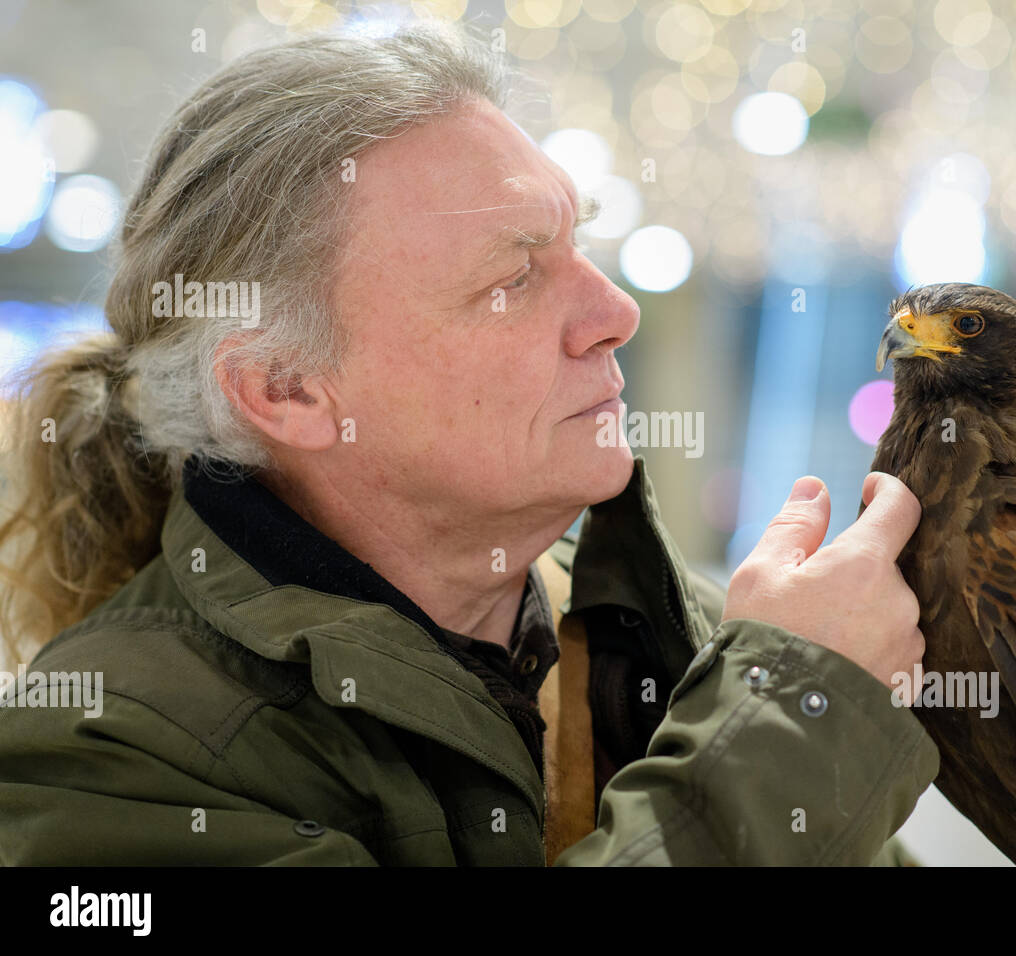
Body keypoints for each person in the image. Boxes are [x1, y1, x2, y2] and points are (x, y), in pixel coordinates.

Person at [0, 21, 936, 865]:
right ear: (285, 390)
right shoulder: (105, 755)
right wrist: (795, 721)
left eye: (579, 244)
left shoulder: (672, 624)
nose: (614, 314)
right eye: (516, 278)